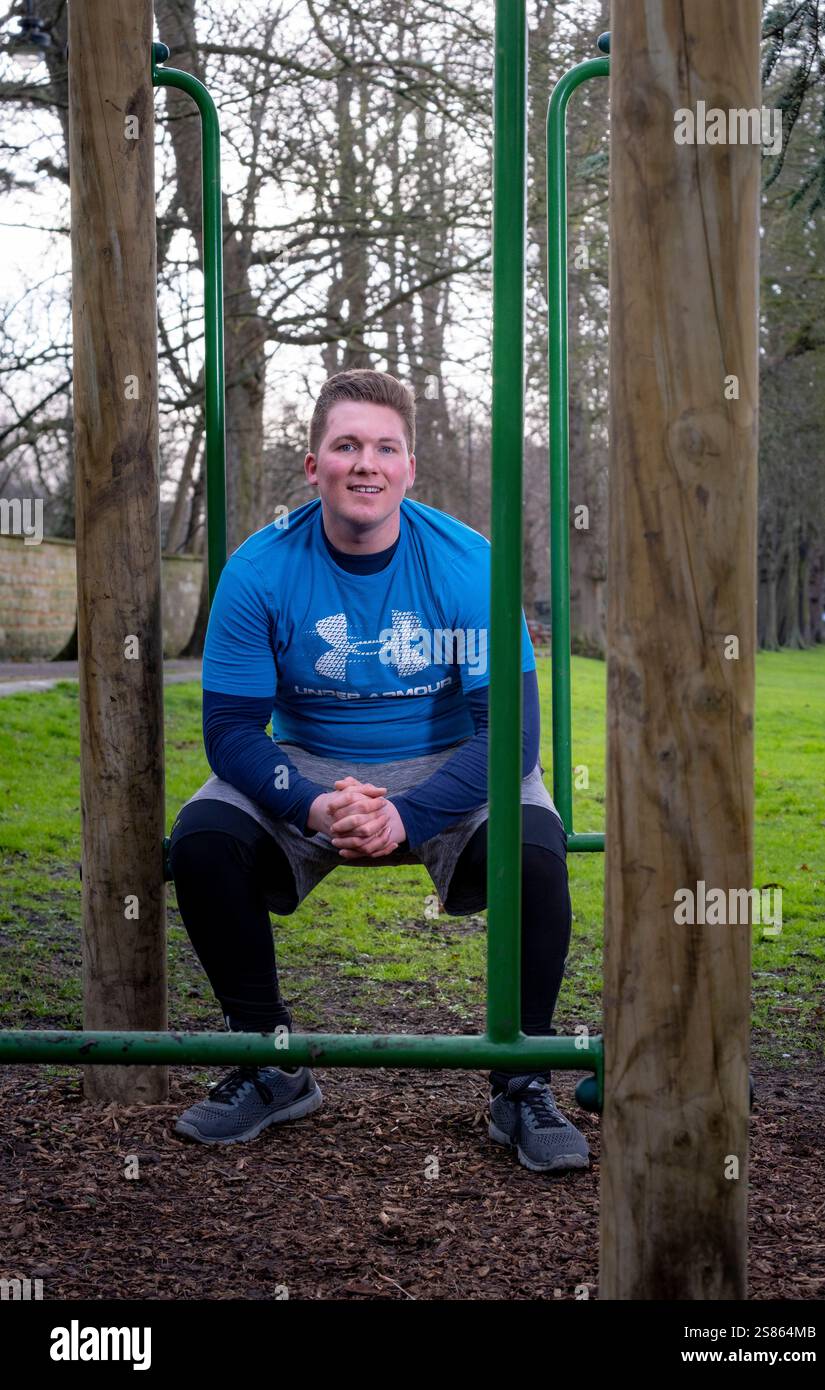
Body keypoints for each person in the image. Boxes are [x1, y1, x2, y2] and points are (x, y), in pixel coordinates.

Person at [168, 369, 589, 1173]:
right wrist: (312, 805)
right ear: (312, 465)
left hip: (451, 757)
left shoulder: (469, 565)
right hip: (310, 760)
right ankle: (270, 1062)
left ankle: (520, 1081)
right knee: (203, 838)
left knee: (536, 848)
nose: (366, 463)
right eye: (347, 445)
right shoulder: (259, 570)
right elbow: (228, 729)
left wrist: (412, 813)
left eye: (384, 447)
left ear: (410, 468)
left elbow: (512, 736)